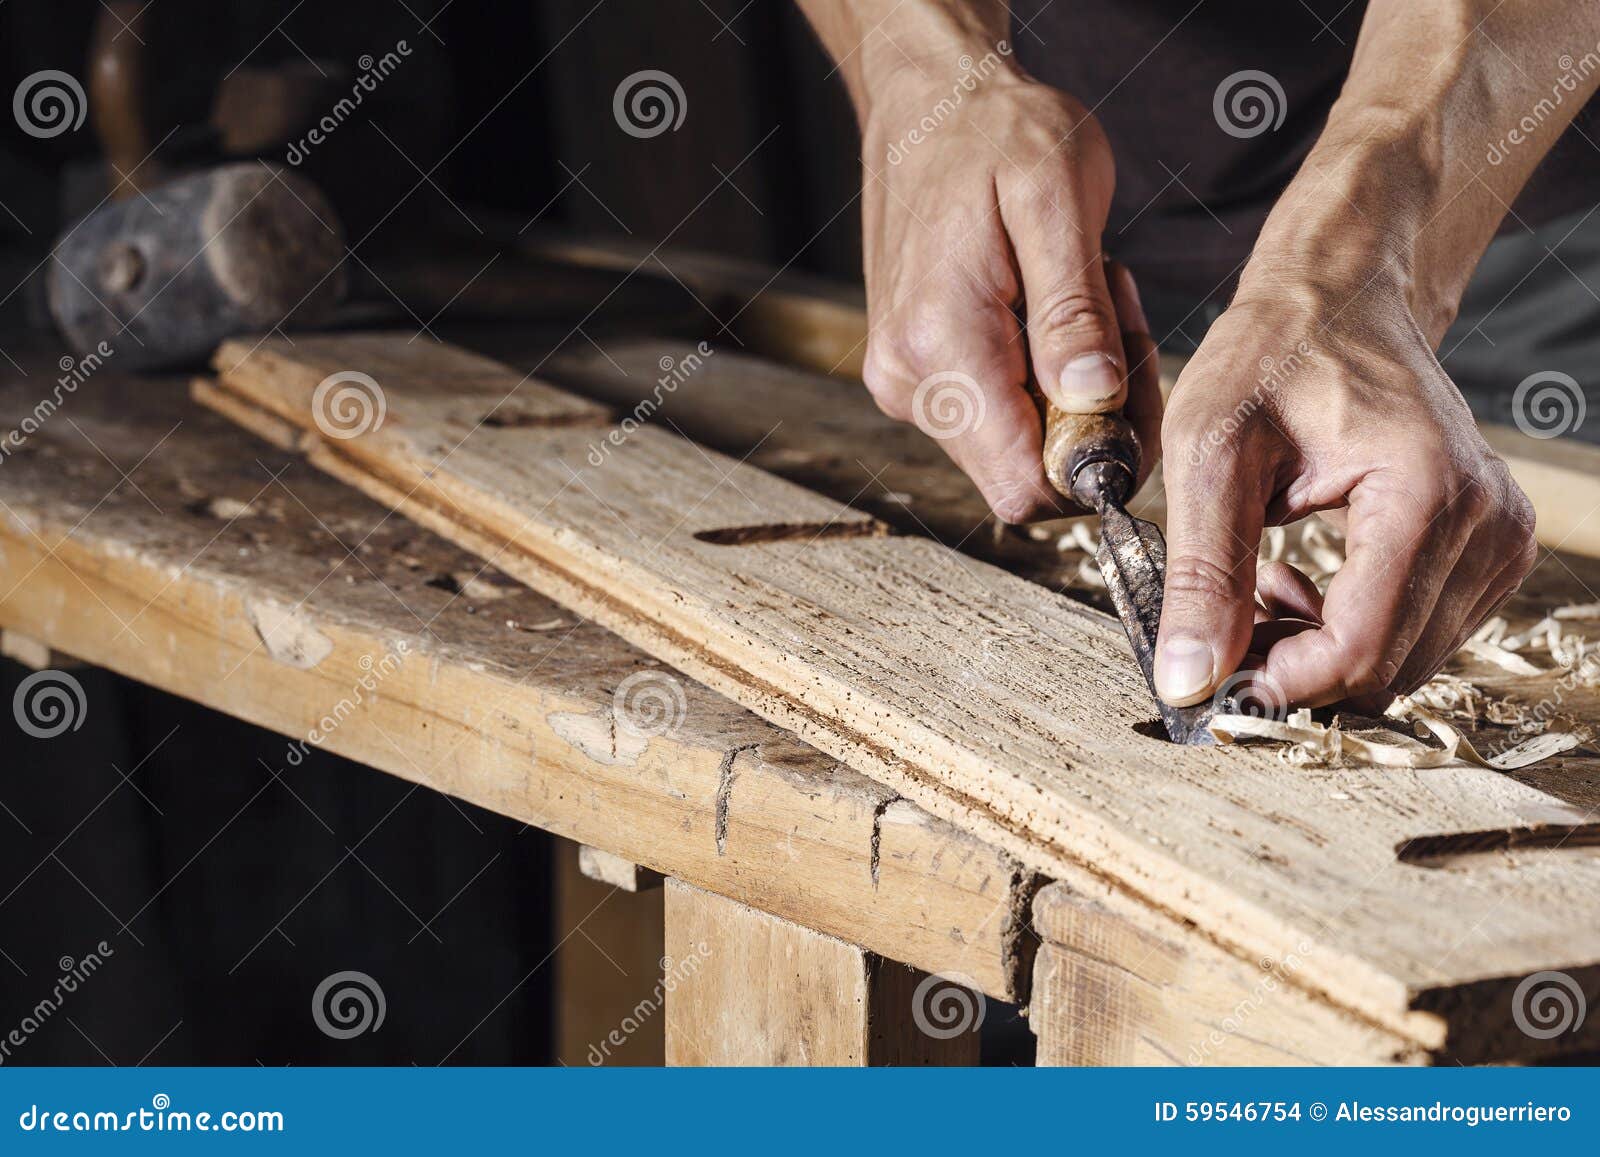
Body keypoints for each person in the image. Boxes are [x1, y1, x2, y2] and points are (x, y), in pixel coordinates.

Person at [796, 0, 1600, 715]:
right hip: (1085, 214)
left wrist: (1360, 251)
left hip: (1508, 200)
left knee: (1448, 538)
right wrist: (920, 64)